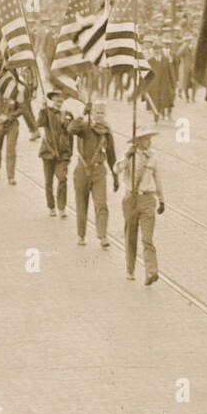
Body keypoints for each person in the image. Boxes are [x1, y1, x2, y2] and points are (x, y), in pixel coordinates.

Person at [117, 126, 166, 285]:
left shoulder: (153, 156)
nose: (149, 141)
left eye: (150, 138)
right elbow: (116, 169)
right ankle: (130, 269)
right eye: (146, 139)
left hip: (148, 200)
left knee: (147, 238)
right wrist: (126, 158)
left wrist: (162, 199)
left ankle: (151, 272)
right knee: (131, 236)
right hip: (131, 199)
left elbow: (157, 178)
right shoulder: (129, 154)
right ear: (138, 141)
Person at [69, 102, 117, 247]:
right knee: (81, 204)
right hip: (82, 170)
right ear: (92, 113)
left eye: (102, 113)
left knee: (101, 204)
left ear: (105, 115)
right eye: (97, 112)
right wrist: (82, 114)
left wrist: (115, 176)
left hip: (99, 171)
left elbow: (111, 155)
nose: (99, 115)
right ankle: (81, 235)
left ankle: (102, 236)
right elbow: (71, 129)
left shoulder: (107, 132)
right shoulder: (84, 127)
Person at [0, 72, 38, 184]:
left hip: (12, 124)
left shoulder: (17, 93)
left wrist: (8, 116)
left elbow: (22, 109)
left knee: (11, 150)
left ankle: (10, 176)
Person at [36, 91, 73, 218]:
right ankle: (51, 206)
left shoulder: (68, 115)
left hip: (63, 154)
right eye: (56, 97)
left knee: (62, 178)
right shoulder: (47, 112)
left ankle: (62, 207)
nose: (59, 99)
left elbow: (71, 135)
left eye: (61, 97)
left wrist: (70, 154)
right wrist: (42, 108)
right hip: (48, 151)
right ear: (52, 99)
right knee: (48, 181)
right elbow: (39, 123)